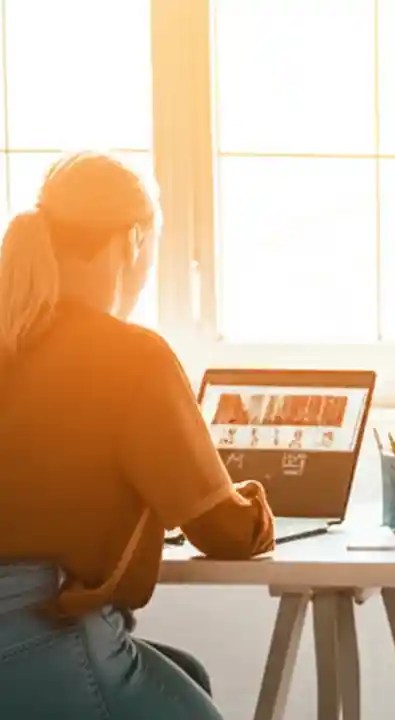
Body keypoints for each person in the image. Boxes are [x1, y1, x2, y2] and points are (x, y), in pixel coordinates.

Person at [0, 152, 276, 719]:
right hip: (42, 632)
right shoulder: (129, 356)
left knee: (185, 672)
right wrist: (257, 508)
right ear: (132, 241)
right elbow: (223, 532)